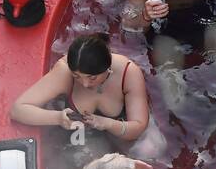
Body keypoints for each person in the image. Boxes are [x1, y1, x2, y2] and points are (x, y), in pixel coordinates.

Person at [9, 33, 158, 161]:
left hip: (119, 127)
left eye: (92, 77)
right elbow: (18, 110)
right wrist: (58, 118)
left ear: (108, 69)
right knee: (85, 161)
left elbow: (138, 126)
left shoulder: (128, 72)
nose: (85, 84)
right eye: (77, 76)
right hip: (83, 136)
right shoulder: (64, 71)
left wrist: (107, 123)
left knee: (151, 150)